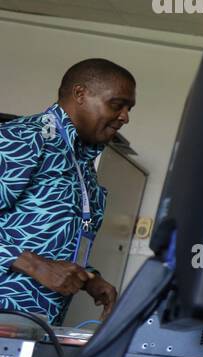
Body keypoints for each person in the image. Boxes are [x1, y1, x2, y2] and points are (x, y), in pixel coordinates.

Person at [0, 58, 135, 325]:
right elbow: (36, 259)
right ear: (80, 94)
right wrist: (34, 265)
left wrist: (89, 278)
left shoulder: (82, 163)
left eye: (129, 109)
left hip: (36, 325)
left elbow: (46, 242)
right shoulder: (25, 139)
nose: (125, 117)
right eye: (117, 105)